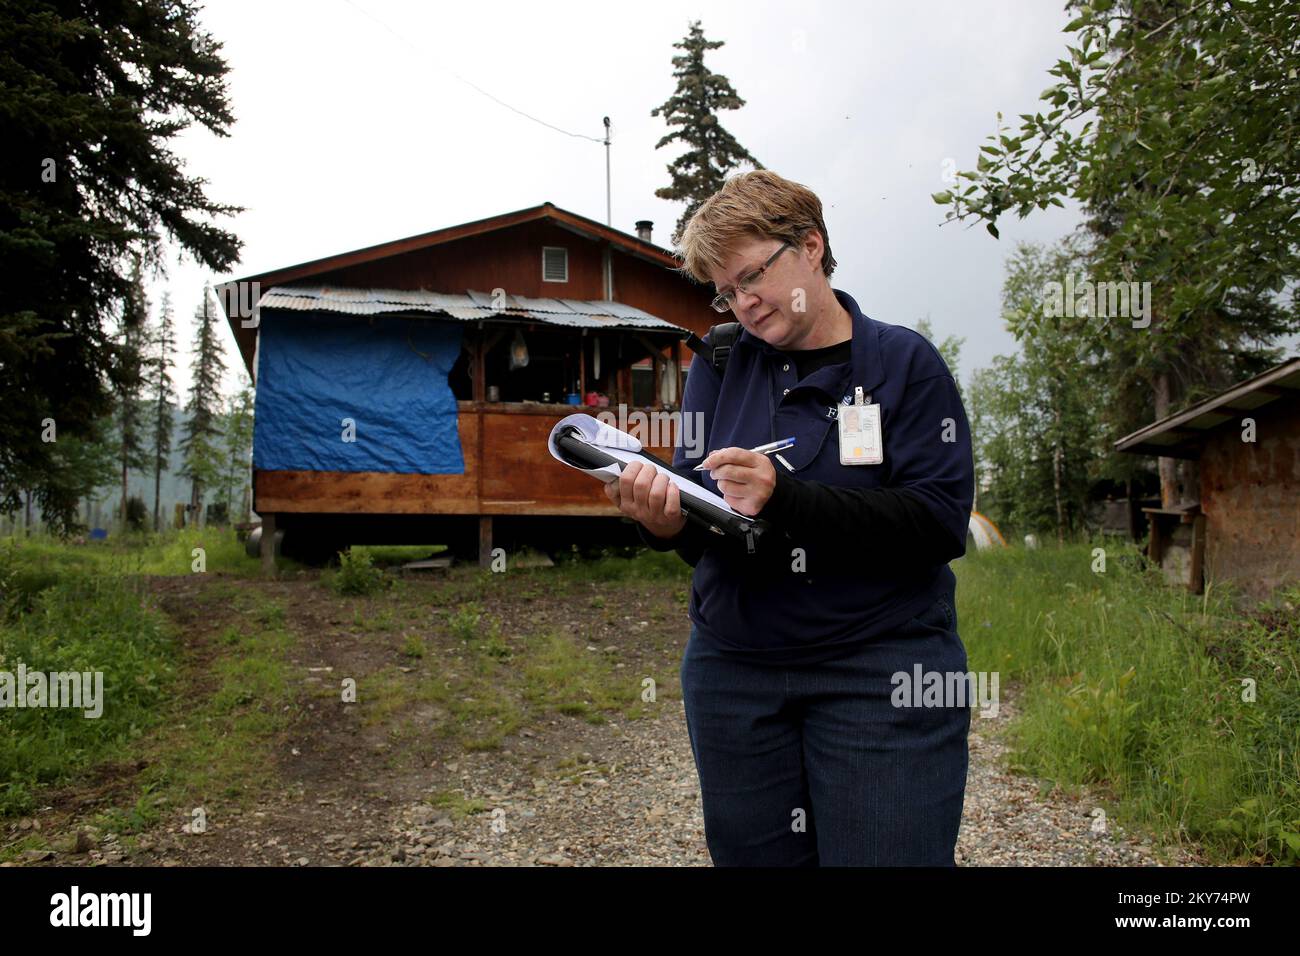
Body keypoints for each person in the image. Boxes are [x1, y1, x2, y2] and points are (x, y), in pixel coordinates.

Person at [603, 169, 975, 866]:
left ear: (810, 246)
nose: (741, 304)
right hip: (733, 674)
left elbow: (938, 523)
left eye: (751, 277)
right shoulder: (719, 362)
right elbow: (707, 528)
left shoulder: (904, 364)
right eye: (724, 291)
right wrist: (665, 522)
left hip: (879, 670)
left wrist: (786, 497)